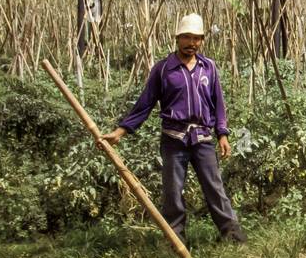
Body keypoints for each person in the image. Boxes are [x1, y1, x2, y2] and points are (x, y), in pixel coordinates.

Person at [102, 13, 246, 244]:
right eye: (187, 38)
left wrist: (223, 134)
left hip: (202, 138)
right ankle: (176, 242)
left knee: (215, 190)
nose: (192, 43)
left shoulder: (208, 68)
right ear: (177, 38)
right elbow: (145, 103)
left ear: (202, 40)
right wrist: (121, 131)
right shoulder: (163, 69)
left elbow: (218, 104)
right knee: (173, 194)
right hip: (173, 139)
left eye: (197, 38)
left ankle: (233, 238)